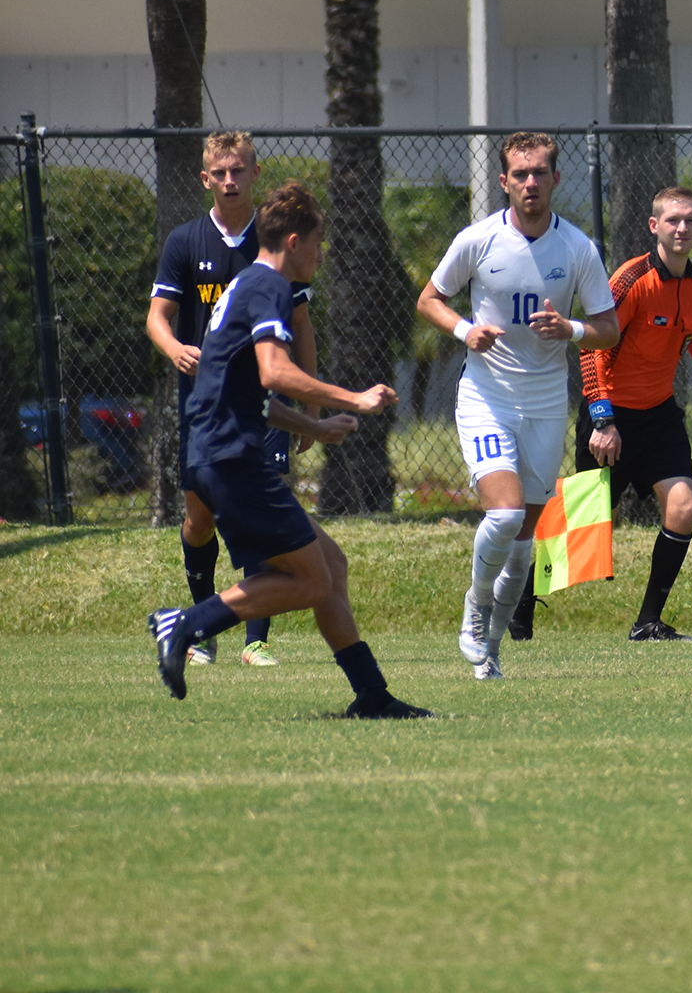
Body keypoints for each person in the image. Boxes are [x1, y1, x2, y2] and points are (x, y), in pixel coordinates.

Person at [147, 183, 428, 719]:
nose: (322, 255)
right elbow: (277, 372)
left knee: (331, 566)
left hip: (219, 454)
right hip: (232, 459)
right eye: (318, 243)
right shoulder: (269, 287)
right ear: (295, 242)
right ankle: (185, 623)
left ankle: (371, 693)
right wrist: (356, 398)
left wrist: (315, 428)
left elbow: (250, 392)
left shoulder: (247, 286)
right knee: (311, 580)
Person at [505, 185, 692, 642]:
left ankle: (648, 622)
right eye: (672, 220)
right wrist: (602, 420)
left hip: (659, 418)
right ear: (654, 226)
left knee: (683, 506)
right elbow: (592, 348)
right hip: (611, 418)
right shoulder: (631, 279)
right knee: (576, 532)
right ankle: (517, 609)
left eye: (690, 220)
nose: (682, 228)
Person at [417, 131, 618, 680]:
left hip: (548, 406)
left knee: (525, 543)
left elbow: (609, 328)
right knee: (503, 515)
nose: (530, 182)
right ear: (503, 181)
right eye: (520, 174)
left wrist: (570, 327)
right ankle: (474, 611)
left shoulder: (578, 248)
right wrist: (464, 330)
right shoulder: (478, 240)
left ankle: (492, 651)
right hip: (486, 397)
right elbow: (430, 299)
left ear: (556, 179)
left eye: (540, 173)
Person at [147, 130, 315, 669]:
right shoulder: (185, 241)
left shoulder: (273, 244)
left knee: (260, 513)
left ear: (255, 172)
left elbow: (302, 326)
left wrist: (311, 411)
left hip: (264, 407)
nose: (229, 181)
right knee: (199, 520)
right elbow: (157, 317)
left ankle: (255, 641)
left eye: (238, 170)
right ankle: (201, 630)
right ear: (205, 178)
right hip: (206, 409)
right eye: (219, 173)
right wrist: (174, 348)